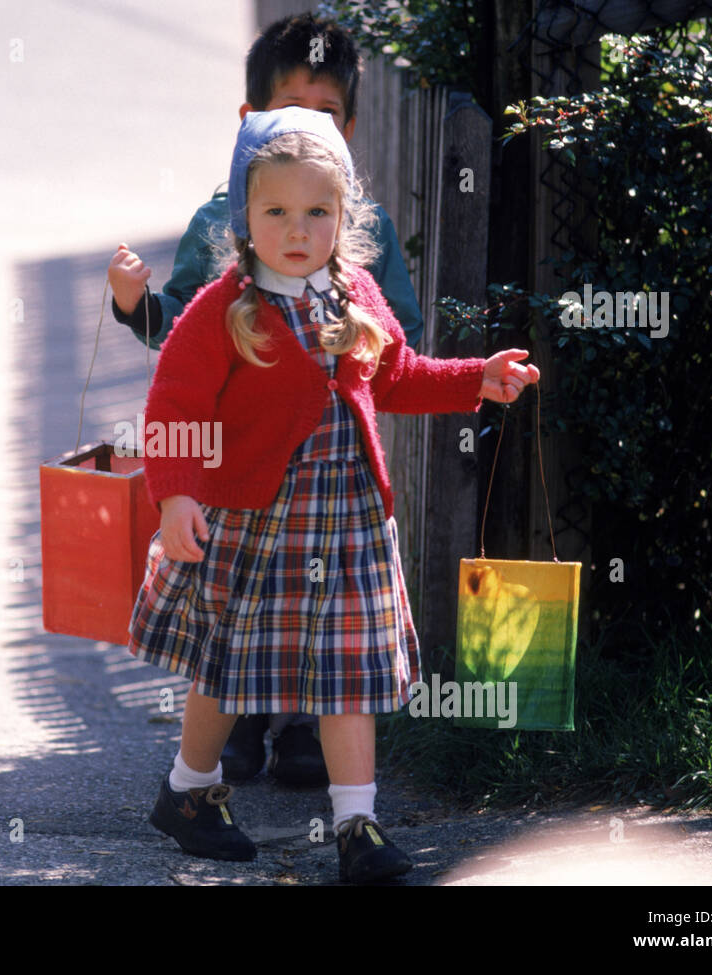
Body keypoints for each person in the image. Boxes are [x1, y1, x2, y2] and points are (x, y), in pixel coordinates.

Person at [126, 106, 539, 883]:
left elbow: (400, 376)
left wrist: (476, 379)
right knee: (226, 664)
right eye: (276, 210)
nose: (296, 226)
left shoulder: (354, 302)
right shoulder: (224, 309)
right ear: (244, 217)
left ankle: (358, 824)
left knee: (350, 668)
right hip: (251, 519)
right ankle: (187, 791)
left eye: (317, 210)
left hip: (346, 519)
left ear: (342, 217)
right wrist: (176, 498)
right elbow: (173, 406)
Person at [110, 13, 422, 786]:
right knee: (247, 601)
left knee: (329, 608)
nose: (310, 130)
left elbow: (397, 345)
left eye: (327, 116)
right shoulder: (225, 222)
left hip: (330, 478)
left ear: (349, 127)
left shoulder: (360, 232)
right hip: (242, 464)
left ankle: (314, 740)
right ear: (249, 123)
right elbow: (180, 338)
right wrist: (132, 304)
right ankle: (239, 729)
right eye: (291, 112)